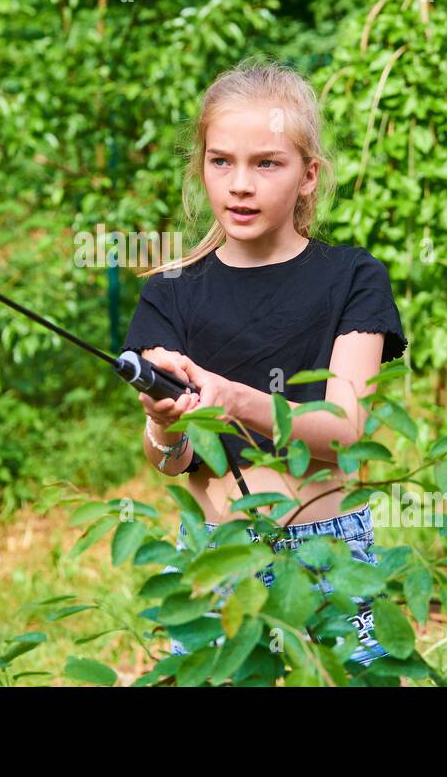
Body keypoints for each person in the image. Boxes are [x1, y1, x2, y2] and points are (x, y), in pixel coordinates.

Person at [121, 56, 408, 679]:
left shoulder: (353, 279)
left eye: (266, 163)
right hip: (215, 554)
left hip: (328, 555)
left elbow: (344, 433)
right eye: (220, 160)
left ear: (309, 175)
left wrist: (231, 399)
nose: (239, 184)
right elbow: (174, 462)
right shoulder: (169, 292)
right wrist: (164, 424)